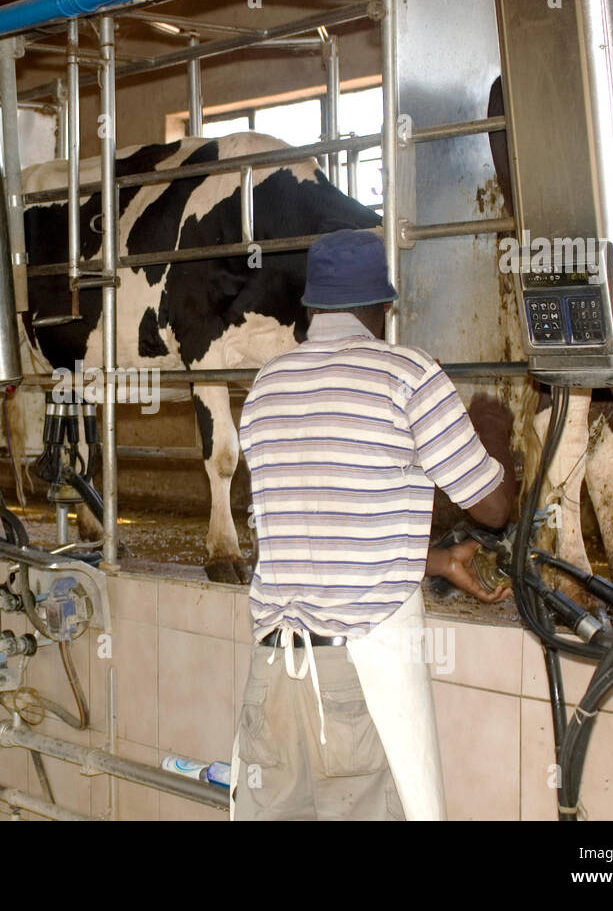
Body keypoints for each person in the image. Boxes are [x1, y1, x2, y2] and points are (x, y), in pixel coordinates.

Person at [232, 228, 518, 821]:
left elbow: (321, 526)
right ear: (383, 307)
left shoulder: (265, 387)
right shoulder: (408, 375)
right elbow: (492, 508)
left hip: (272, 676)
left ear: (311, 308)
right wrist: (491, 433)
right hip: (358, 682)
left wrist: (437, 562)